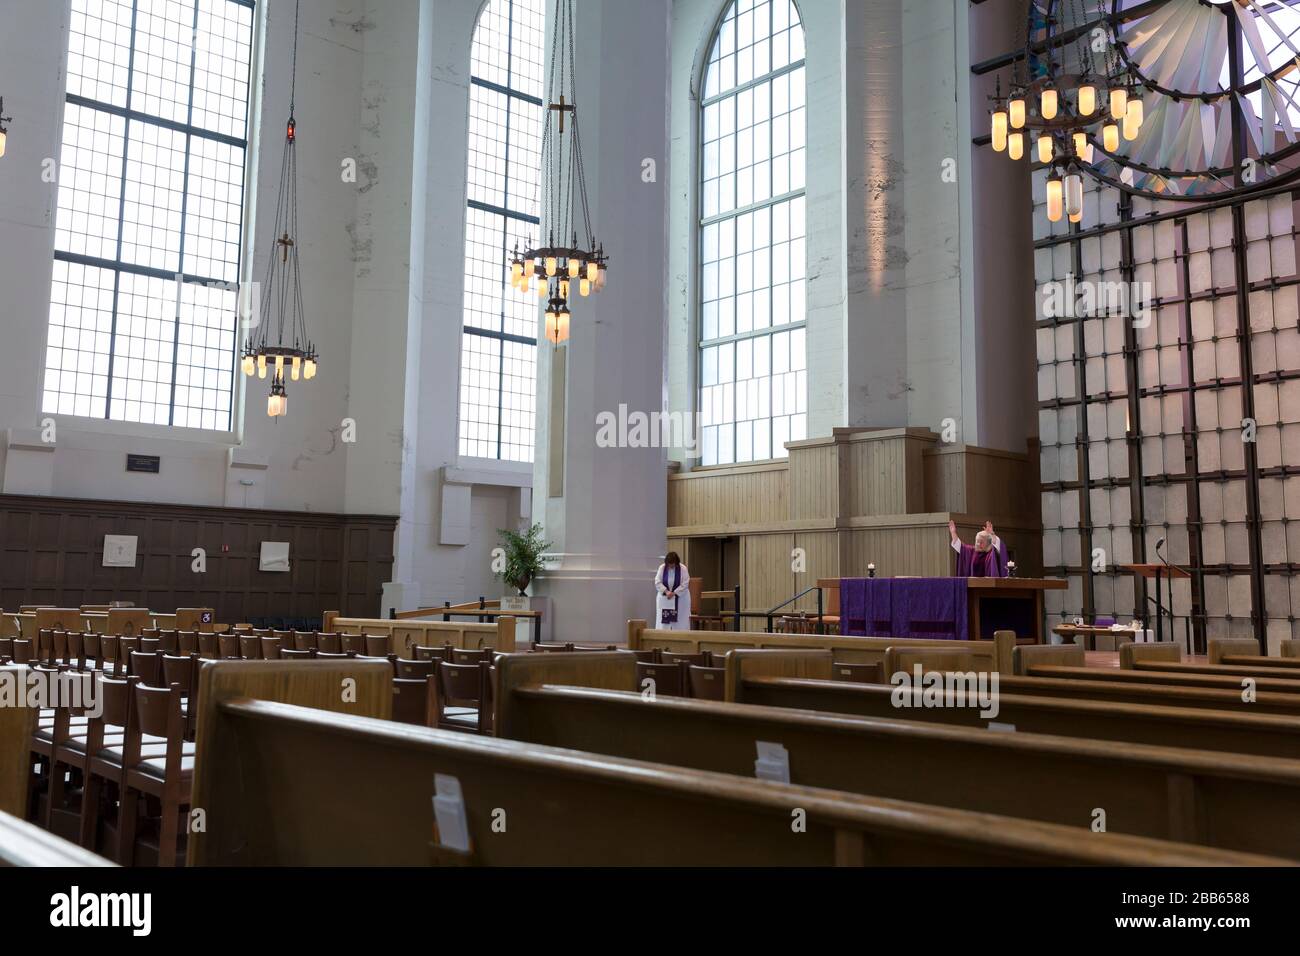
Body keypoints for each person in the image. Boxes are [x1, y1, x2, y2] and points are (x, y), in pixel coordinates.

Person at [654, 551, 692, 630]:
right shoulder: (662, 567)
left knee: (680, 621)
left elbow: (685, 583)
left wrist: (674, 593)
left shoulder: (683, 568)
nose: (671, 566)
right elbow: (657, 581)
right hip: (665, 598)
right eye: (669, 564)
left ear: (676, 562)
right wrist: (666, 591)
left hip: (680, 599)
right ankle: (663, 636)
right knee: (664, 622)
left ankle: (681, 637)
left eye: (673, 565)